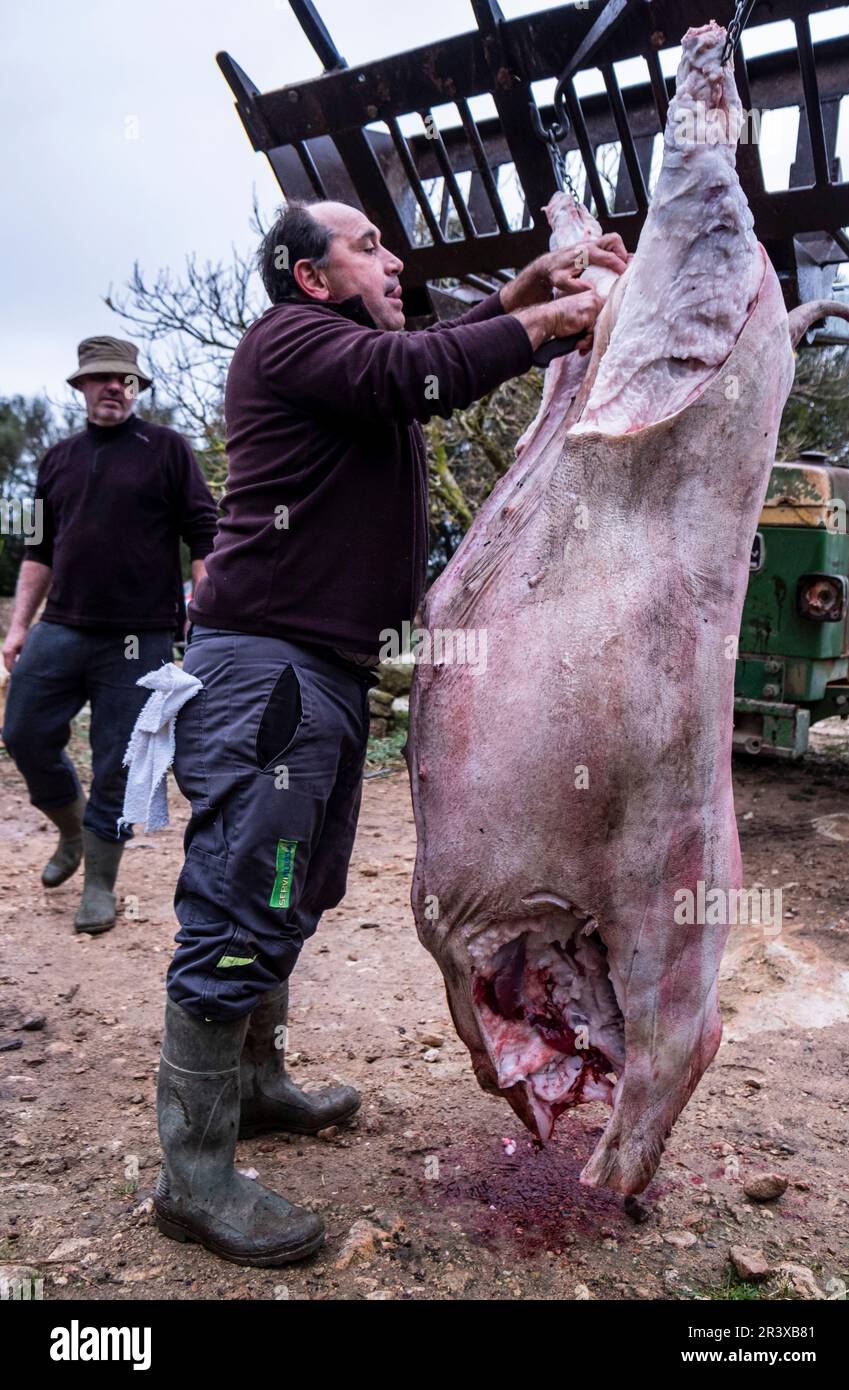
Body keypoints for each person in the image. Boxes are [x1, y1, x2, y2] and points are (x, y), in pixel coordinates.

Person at [154, 198, 628, 1266]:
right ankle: (189, 1175)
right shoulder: (293, 338)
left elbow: (423, 351)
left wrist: (515, 296)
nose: (394, 257)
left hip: (313, 669)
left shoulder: (347, 349)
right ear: (309, 277)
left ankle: (253, 1080)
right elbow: (414, 373)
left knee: (291, 886)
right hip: (269, 668)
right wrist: (557, 319)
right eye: (367, 246)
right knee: (241, 894)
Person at [1, 336, 218, 933]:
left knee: (121, 763)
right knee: (22, 732)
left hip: (141, 637)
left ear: (137, 386)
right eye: (101, 379)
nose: (114, 387)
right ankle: (72, 832)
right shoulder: (56, 458)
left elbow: (204, 532)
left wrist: (203, 610)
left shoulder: (168, 449)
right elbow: (36, 548)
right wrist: (19, 625)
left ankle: (99, 882)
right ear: (81, 387)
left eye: (125, 378)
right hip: (63, 626)